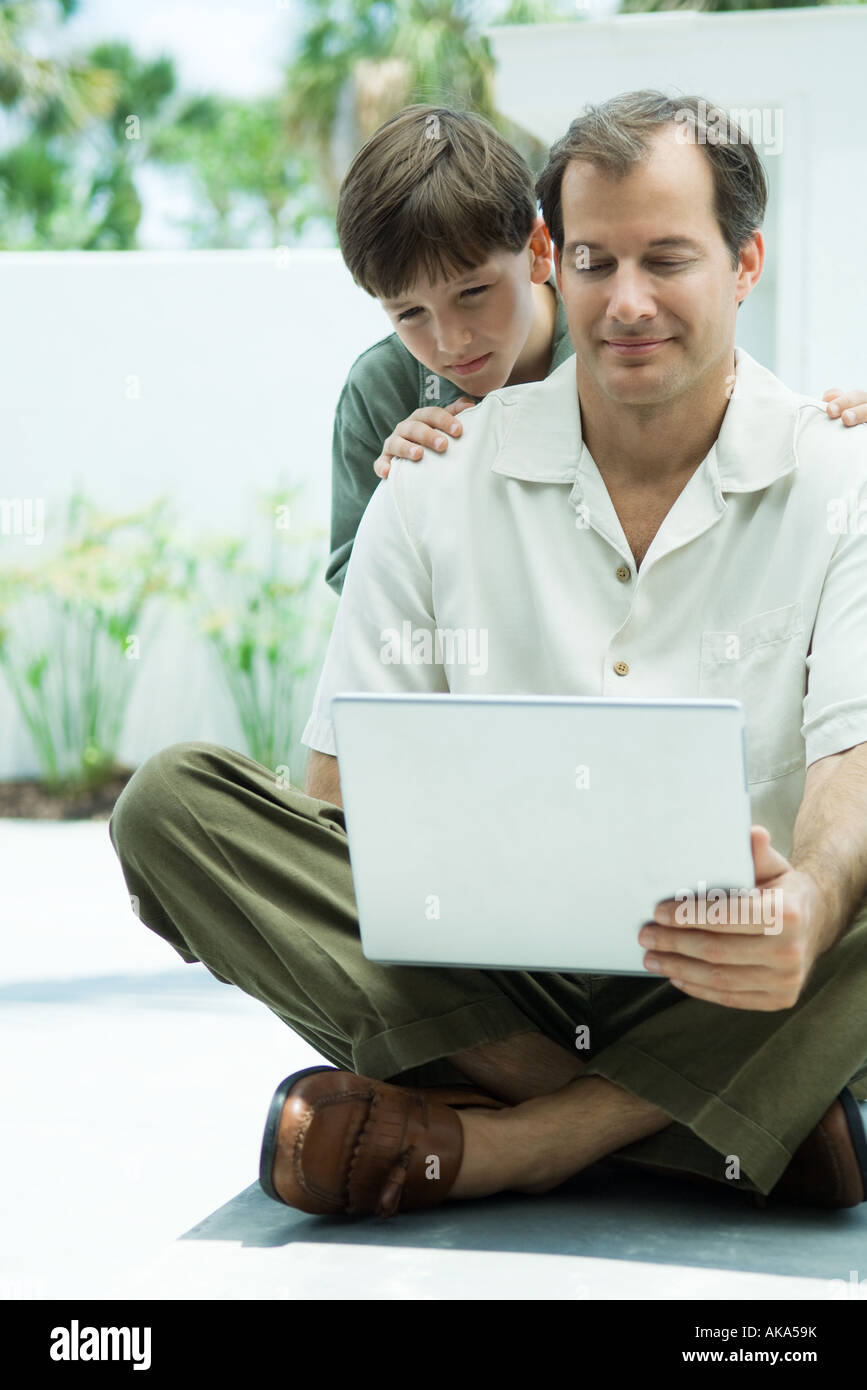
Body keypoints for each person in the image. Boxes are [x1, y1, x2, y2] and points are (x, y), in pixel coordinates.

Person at [109, 91, 867, 1220]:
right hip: (484, 976)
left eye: (669, 258)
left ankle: (522, 1143)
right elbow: (337, 796)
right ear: (558, 255)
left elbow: (852, 758)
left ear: (745, 261)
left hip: (733, 972)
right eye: (599, 261)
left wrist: (806, 903)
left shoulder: (838, 477)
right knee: (170, 806)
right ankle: (693, 1117)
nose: (629, 301)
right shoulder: (420, 476)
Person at [327, 104, 867, 598]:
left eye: (472, 294)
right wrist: (404, 500)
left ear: (541, 254)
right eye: (409, 314)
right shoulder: (382, 392)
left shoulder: (615, 353)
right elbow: (367, 589)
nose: (450, 341)